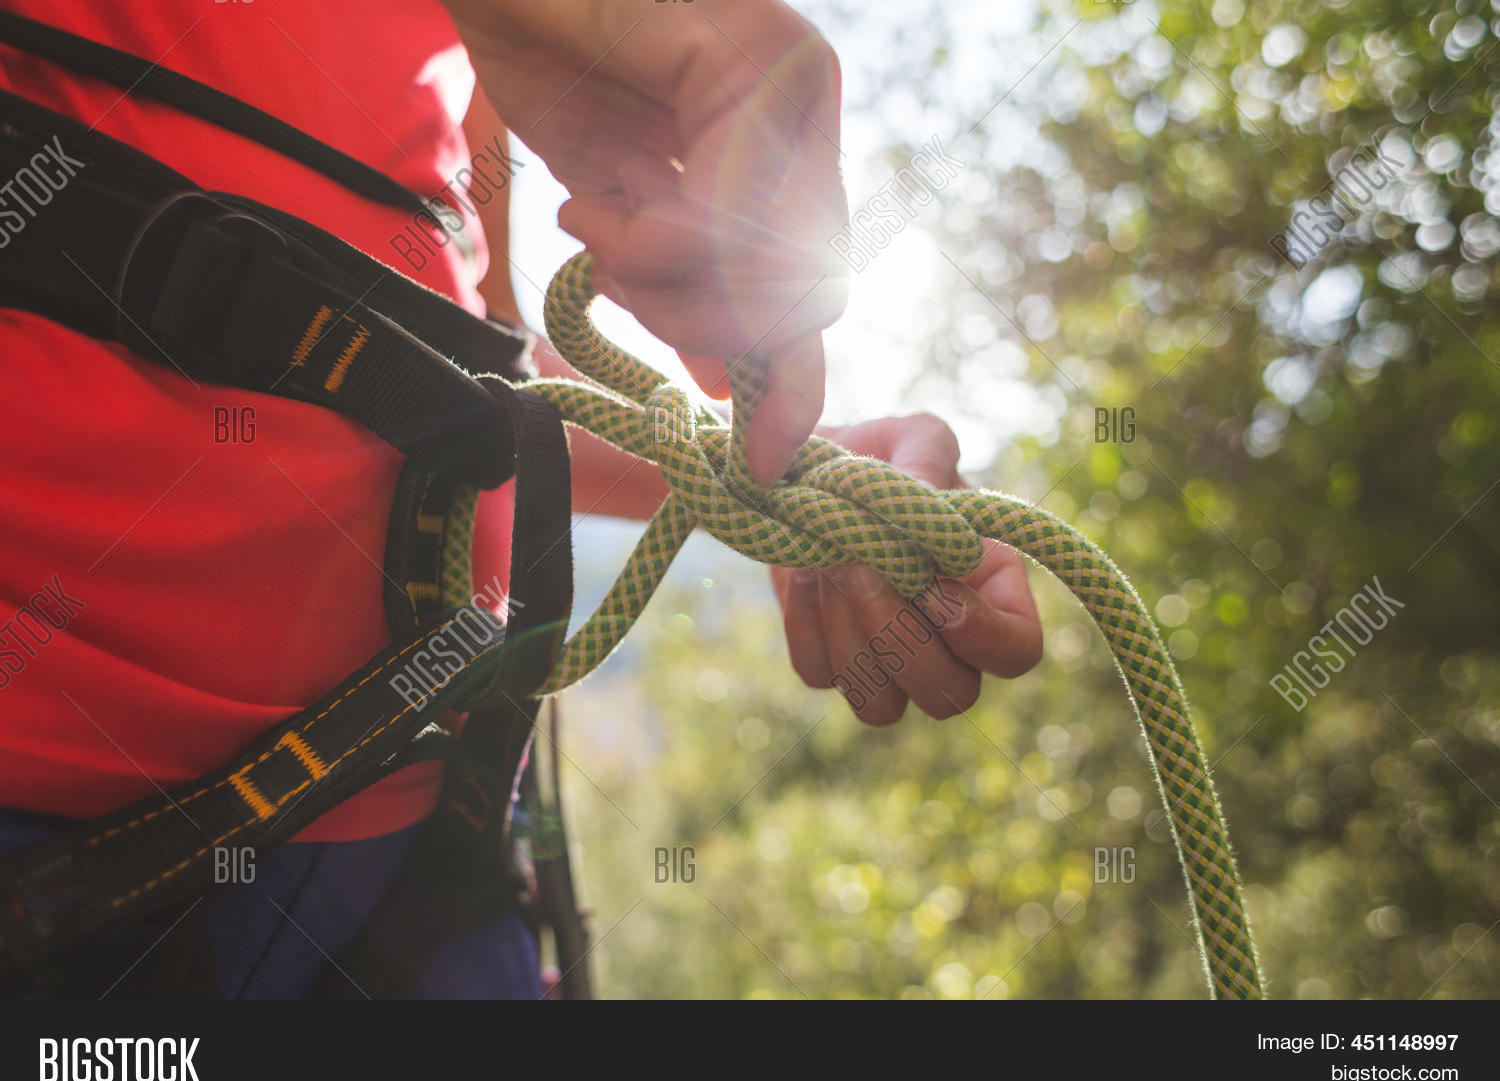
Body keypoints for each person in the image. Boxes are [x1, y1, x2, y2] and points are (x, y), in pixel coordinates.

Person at [0, 0, 1042, 998]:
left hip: (426, 826)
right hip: (53, 818)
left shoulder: (486, 43)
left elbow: (488, 379)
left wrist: (781, 473)